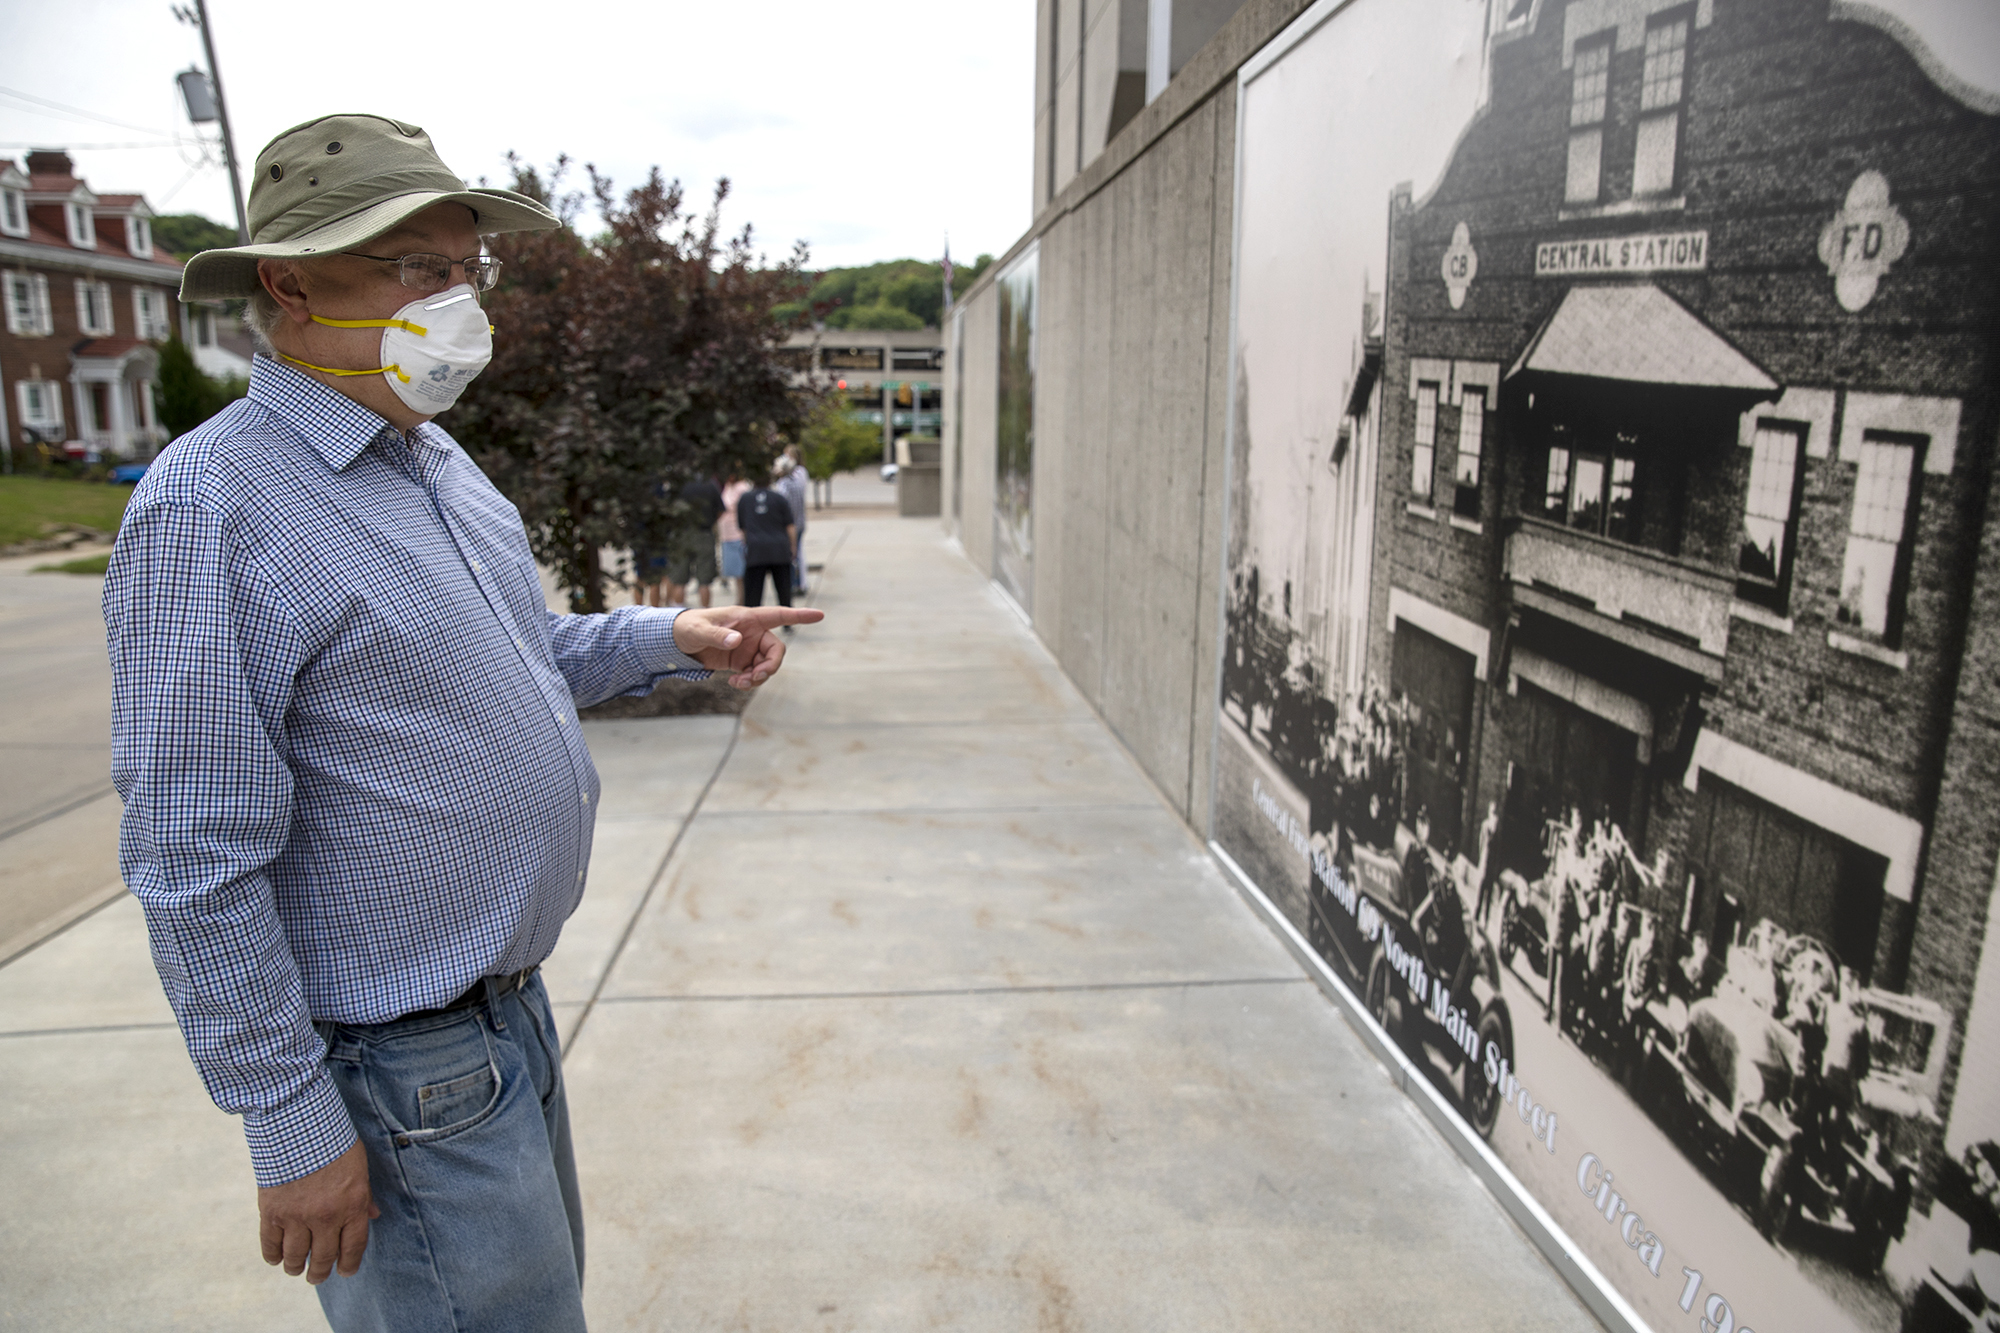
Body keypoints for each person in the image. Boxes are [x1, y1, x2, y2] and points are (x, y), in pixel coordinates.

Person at [104, 113, 822, 1333]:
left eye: (464, 269)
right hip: (396, 1070)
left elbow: (513, 656)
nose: (455, 302)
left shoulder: (434, 461)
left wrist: (667, 638)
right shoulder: (211, 505)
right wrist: (289, 1121)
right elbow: (193, 852)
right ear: (289, 283)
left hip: (502, 1026)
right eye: (414, 267)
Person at [663, 473, 723, 608]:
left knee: (679, 581)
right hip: (703, 533)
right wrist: (710, 522)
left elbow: (666, 510)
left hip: (680, 534)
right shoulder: (710, 484)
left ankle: (679, 612)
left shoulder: (676, 484)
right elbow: (720, 509)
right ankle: (705, 612)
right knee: (704, 582)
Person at [737, 478, 796, 608]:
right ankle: (787, 616)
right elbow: (790, 526)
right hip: (779, 549)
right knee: (784, 593)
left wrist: (747, 545)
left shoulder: (745, 499)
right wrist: (793, 547)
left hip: (756, 549)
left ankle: (753, 617)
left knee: (753, 597)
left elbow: (743, 528)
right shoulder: (779, 498)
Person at [774, 444, 809, 596]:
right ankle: (798, 583)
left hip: (792, 524)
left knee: (793, 554)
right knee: (796, 553)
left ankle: (796, 583)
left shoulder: (787, 483)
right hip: (798, 522)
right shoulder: (795, 479)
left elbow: (782, 504)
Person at [717, 469, 751, 604]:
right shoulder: (728, 487)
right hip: (726, 535)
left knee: (741, 572)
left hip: (738, 534)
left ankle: (742, 600)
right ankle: (740, 599)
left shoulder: (742, 488)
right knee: (735, 573)